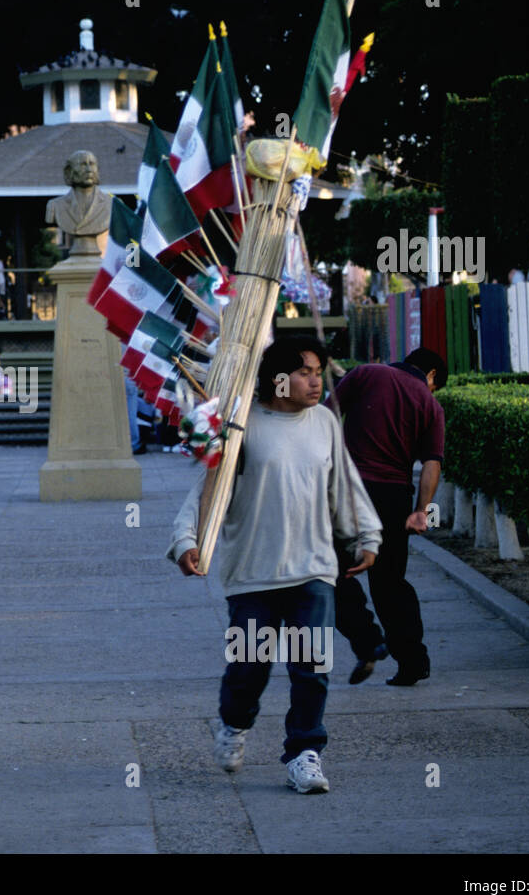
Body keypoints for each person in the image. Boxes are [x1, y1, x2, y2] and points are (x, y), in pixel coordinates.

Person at [168, 336, 381, 794]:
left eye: (319, 372)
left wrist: (365, 535)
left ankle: (305, 753)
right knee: (250, 666)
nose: (315, 380)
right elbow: (208, 491)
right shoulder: (240, 426)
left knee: (311, 666)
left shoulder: (324, 421)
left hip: (313, 570)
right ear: (277, 378)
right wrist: (187, 540)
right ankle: (234, 723)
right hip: (252, 573)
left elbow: (342, 483)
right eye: (305, 371)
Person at [330, 347, 447, 686]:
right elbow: (431, 465)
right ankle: (412, 662)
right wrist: (420, 512)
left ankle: (368, 639)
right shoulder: (431, 404)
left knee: (335, 573)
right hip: (394, 499)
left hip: (349, 491)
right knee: (390, 582)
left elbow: (325, 418)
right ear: (432, 376)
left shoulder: (367, 373)